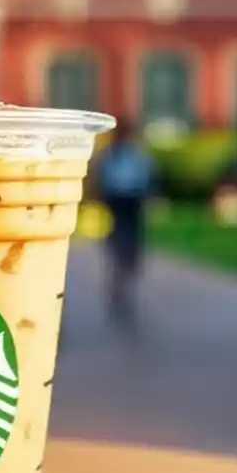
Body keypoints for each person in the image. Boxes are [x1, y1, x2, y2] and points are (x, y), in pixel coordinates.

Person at [95, 123, 154, 323]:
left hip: (132, 202)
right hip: (118, 203)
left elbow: (146, 178)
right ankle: (118, 282)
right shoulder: (112, 156)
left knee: (130, 243)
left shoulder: (135, 156)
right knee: (120, 241)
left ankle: (124, 279)